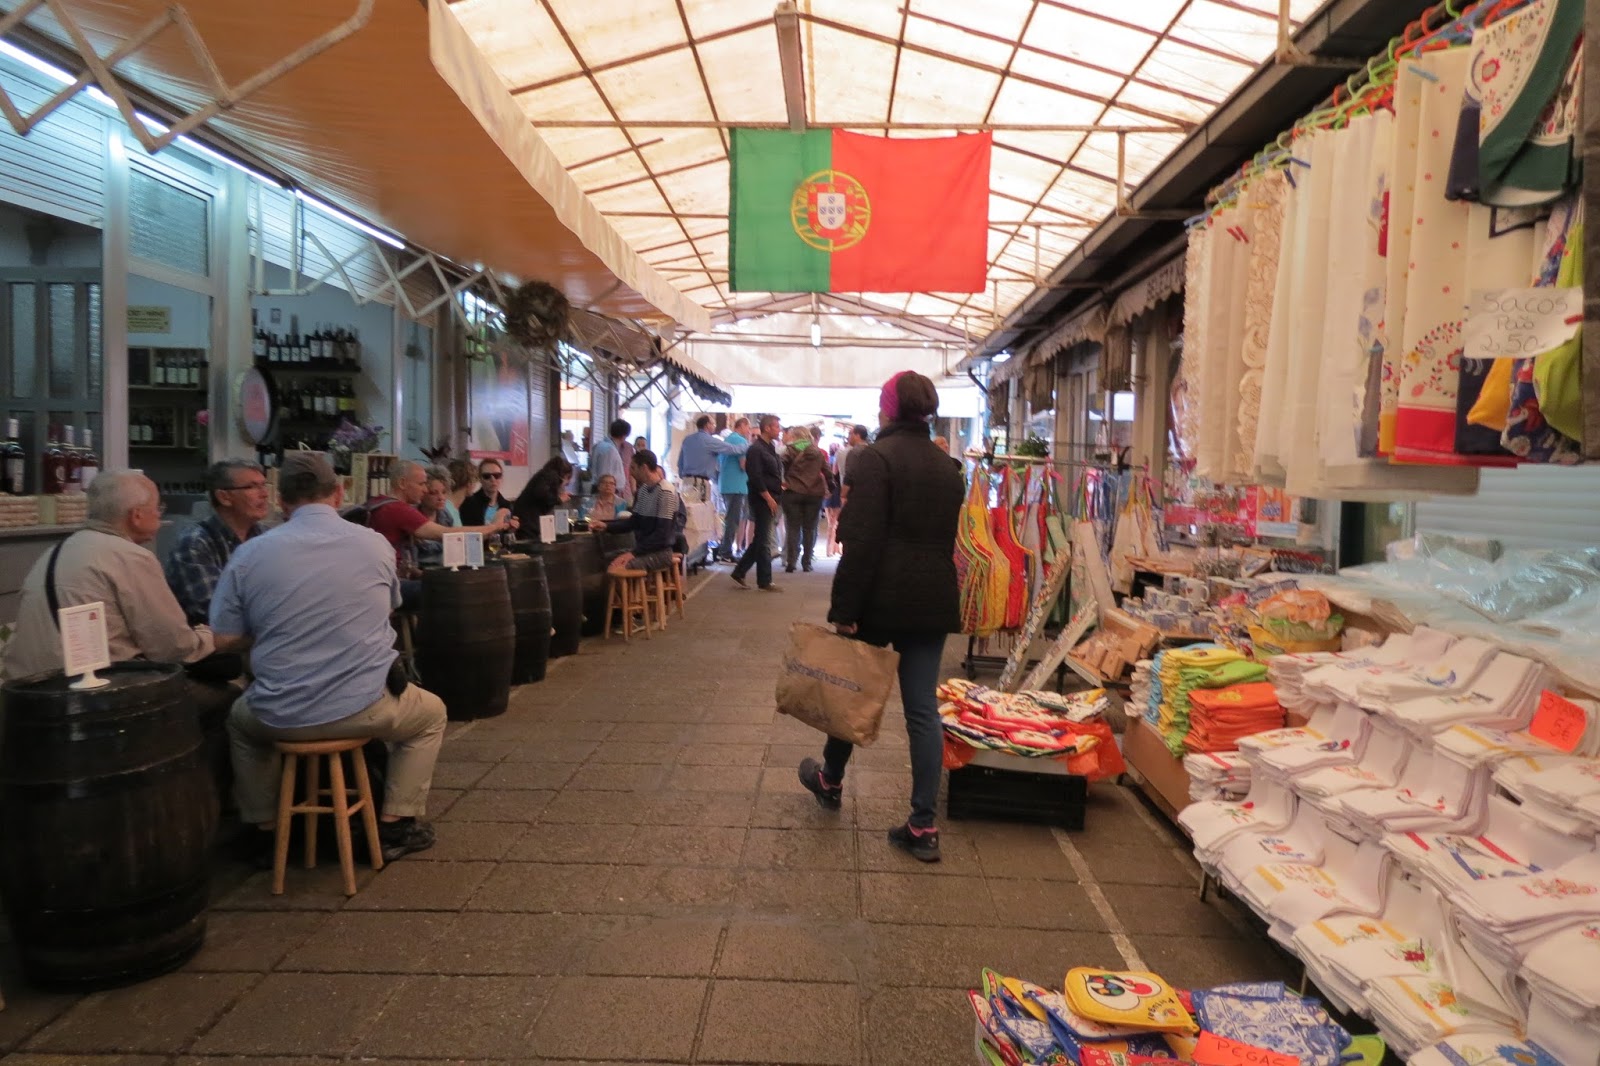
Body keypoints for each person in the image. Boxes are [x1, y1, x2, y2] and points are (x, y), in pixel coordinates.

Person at [213, 452, 446, 864]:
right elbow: (390, 607)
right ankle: (395, 823)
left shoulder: (250, 553)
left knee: (239, 723)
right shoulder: (373, 543)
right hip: (364, 707)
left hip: (278, 713)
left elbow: (225, 636)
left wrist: (274, 628)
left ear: (281, 500)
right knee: (431, 715)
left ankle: (266, 829)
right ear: (339, 494)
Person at [798, 372, 964, 863]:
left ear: (891, 408)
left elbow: (863, 542)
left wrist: (845, 610)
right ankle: (923, 824)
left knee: (853, 691)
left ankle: (830, 778)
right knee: (921, 712)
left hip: (880, 598)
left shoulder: (875, 460)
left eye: (880, 402)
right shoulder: (947, 467)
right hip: (931, 598)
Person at [4, 470, 221, 682]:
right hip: (93, 697)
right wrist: (210, 636)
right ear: (136, 515)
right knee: (224, 688)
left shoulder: (56, 551)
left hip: (29, 693)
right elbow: (173, 648)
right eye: (157, 508)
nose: (159, 514)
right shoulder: (132, 556)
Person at [366, 460, 512, 602]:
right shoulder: (398, 509)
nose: (424, 490)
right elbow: (447, 534)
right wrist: (494, 526)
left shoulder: (377, 502)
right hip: (392, 586)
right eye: (421, 484)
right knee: (460, 590)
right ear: (402, 483)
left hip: (379, 582)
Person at [165, 459, 270, 628]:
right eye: (252, 487)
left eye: (264, 485)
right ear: (224, 497)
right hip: (218, 648)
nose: (264, 494)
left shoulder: (267, 536)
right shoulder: (195, 542)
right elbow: (214, 611)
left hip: (264, 639)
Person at [589, 449, 681, 574]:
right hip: (643, 550)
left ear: (643, 468)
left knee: (618, 567)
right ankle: (617, 593)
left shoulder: (666, 491)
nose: (630, 473)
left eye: (633, 468)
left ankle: (627, 593)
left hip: (660, 552)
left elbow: (662, 535)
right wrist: (606, 525)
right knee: (604, 559)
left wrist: (633, 553)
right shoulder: (643, 491)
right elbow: (634, 522)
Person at [730, 414, 783, 593]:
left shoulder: (770, 447)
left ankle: (740, 571)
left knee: (761, 538)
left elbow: (771, 473)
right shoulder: (756, 449)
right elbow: (756, 476)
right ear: (767, 428)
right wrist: (767, 497)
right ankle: (765, 580)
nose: (779, 430)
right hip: (761, 498)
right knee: (764, 540)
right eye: (776, 427)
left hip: (772, 496)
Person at [780, 425, 827, 573]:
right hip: (814, 494)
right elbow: (827, 471)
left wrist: (783, 481)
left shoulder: (789, 450)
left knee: (793, 528)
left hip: (793, 491)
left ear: (795, 436)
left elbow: (779, 465)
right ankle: (807, 562)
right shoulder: (817, 452)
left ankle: (791, 562)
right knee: (810, 528)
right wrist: (831, 487)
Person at [677, 414, 748, 489]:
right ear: (707, 425)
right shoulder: (710, 441)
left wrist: (683, 477)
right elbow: (732, 449)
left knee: (688, 501)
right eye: (713, 424)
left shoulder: (687, 440)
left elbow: (680, 463)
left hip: (686, 482)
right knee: (699, 501)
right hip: (701, 482)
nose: (715, 426)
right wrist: (748, 446)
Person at [715, 417, 750, 563]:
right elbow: (743, 465)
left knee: (730, 518)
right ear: (741, 426)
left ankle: (725, 550)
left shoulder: (727, 440)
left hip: (726, 483)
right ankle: (725, 552)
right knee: (733, 519)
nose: (748, 431)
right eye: (748, 428)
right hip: (737, 485)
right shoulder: (740, 441)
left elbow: (717, 464)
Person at [512, 456, 575, 527]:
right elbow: (541, 494)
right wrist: (559, 499)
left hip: (524, 517)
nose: (566, 484)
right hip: (528, 520)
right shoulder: (552, 475)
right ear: (565, 475)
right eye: (568, 479)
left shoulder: (543, 475)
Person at [415, 468, 456, 564]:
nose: (441, 498)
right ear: (423, 493)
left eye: (444, 492)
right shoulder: (413, 515)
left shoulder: (446, 516)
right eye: (434, 493)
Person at [458, 458, 512, 526]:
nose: (493, 479)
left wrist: (511, 529)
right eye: (487, 476)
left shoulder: (507, 505)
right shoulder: (469, 503)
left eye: (497, 475)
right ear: (480, 479)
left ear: (501, 477)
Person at [590, 419, 631, 503]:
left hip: (606, 491)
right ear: (624, 436)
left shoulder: (601, 446)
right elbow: (605, 475)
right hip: (606, 494)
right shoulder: (609, 450)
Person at [837, 423, 870, 504]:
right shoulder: (872, 450)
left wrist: (843, 494)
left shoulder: (854, 452)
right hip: (869, 492)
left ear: (857, 435)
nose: (849, 437)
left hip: (854, 494)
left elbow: (849, 474)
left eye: (850, 434)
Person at [823, 443, 843, 558]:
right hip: (836, 491)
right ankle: (832, 548)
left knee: (831, 522)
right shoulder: (837, 460)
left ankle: (831, 548)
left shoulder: (827, 460)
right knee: (834, 522)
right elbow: (835, 473)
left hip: (827, 491)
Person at [443, 458, 477, 526]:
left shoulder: (452, 507)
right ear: (469, 483)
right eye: (475, 481)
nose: (475, 485)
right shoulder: (446, 509)